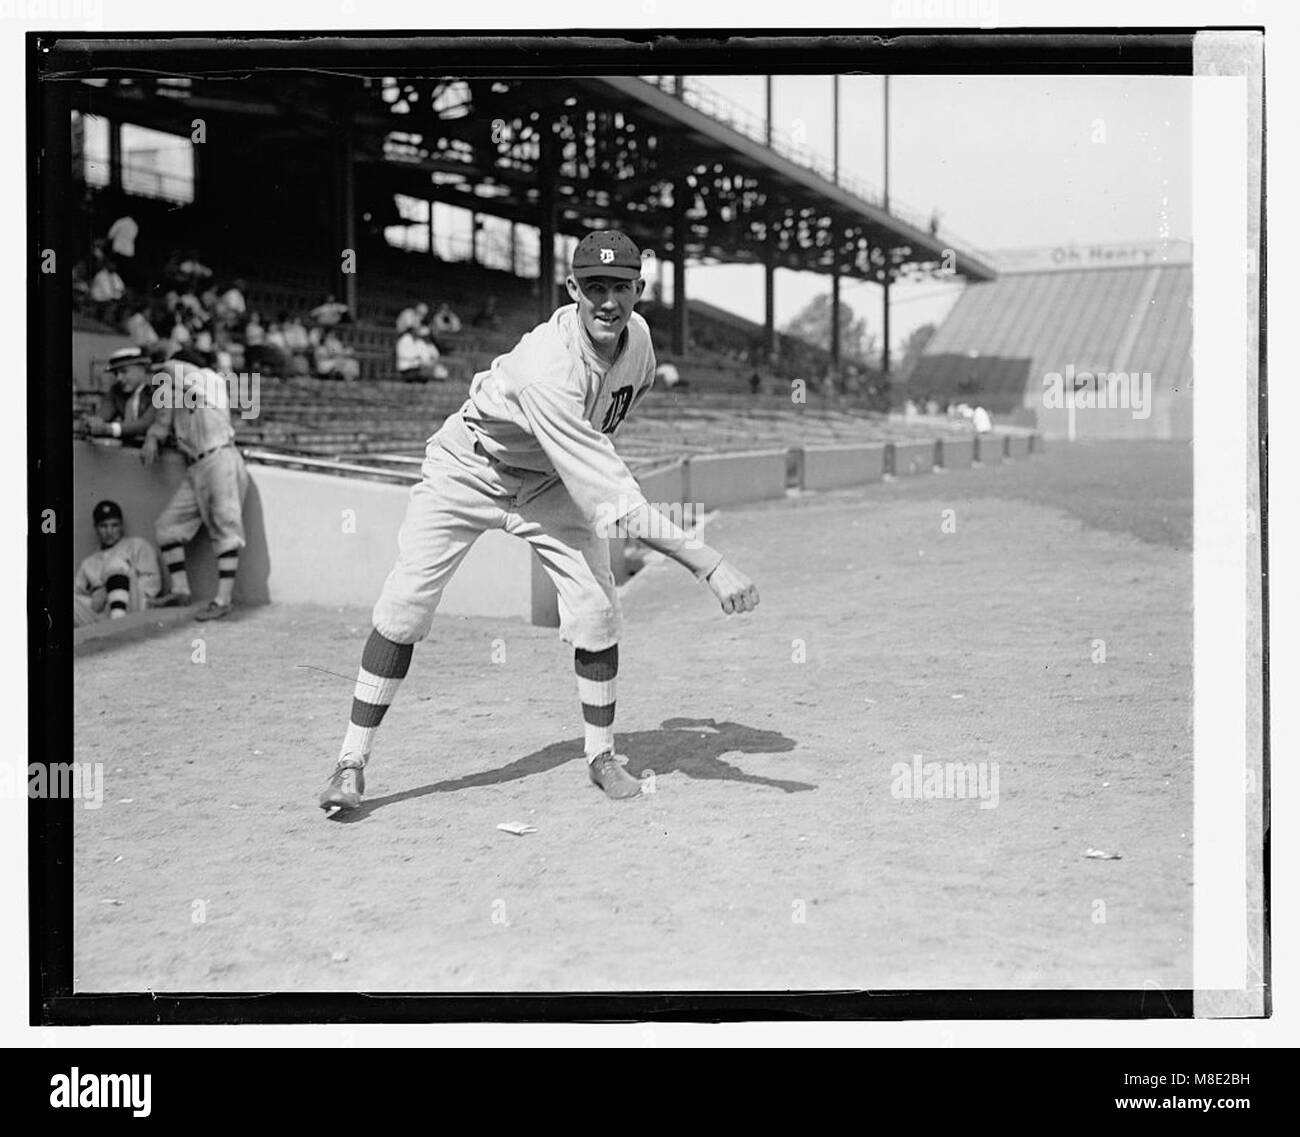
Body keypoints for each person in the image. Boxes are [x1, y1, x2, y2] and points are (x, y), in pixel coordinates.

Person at [318, 229, 760, 814]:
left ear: (639, 290)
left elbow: (617, 410)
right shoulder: (545, 368)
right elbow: (616, 503)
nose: (608, 301)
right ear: (573, 288)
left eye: (620, 288)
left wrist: (579, 458)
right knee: (405, 604)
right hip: (470, 465)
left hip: (550, 481)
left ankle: (601, 755)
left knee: (598, 611)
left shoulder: (641, 341)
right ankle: (350, 762)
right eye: (594, 287)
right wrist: (711, 563)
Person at [141, 350, 250, 621]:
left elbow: (170, 369)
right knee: (167, 527)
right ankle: (180, 590)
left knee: (225, 527)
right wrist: (154, 435)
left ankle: (223, 600)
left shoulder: (208, 379)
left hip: (219, 458)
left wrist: (155, 365)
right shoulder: (183, 394)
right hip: (197, 466)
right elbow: (163, 418)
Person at [74, 500, 161, 627]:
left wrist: (108, 588)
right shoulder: (88, 563)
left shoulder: (137, 545)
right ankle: (111, 626)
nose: (109, 531)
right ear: (96, 528)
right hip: (100, 615)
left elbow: (152, 584)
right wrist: (94, 599)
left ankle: (117, 624)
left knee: (115, 564)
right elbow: (77, 593)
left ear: (121, 526)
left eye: (114, 525)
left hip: (132, 606)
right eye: (103, 526)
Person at [83, 347, 158, 445]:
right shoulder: (116, 391)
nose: (118, 378)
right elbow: (104, 413)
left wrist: (108, 429)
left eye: (124, 371)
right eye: (115, 373)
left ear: (141, 369)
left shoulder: (158, 391)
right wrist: (94, 422)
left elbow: (145, 423)